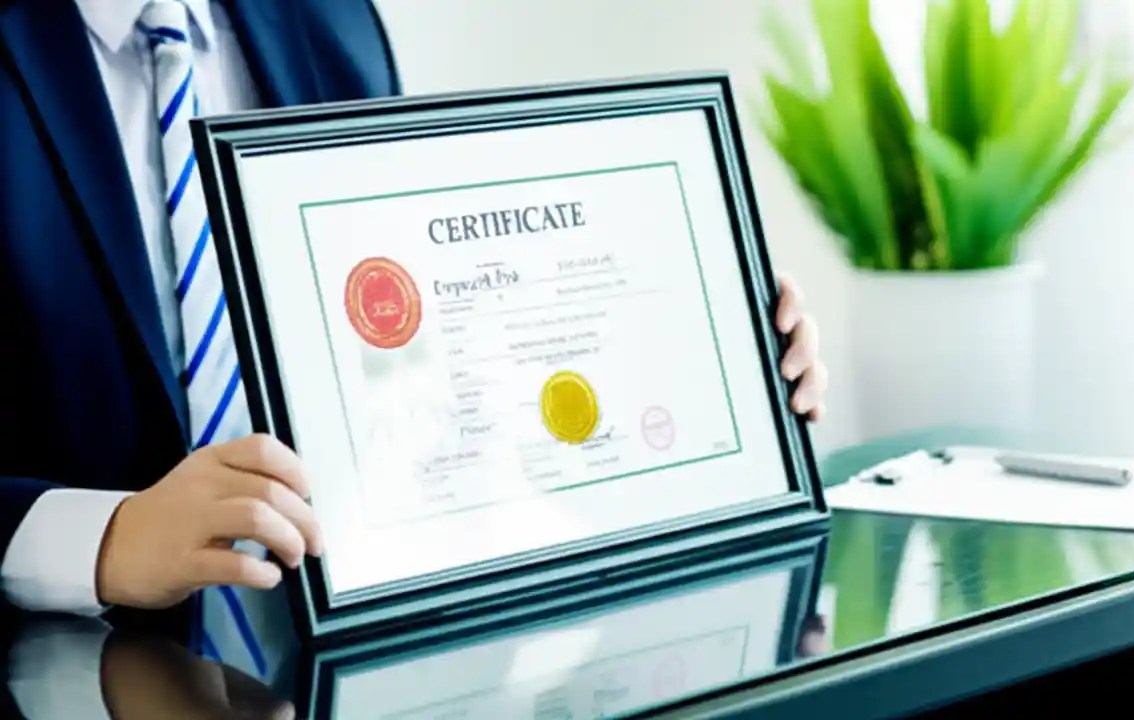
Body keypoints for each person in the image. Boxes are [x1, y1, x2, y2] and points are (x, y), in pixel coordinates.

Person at [0, 0, 828, 638]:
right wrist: (99, 539)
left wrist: (710, 339)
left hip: (341, 634)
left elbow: (411, 325)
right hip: (67, 660)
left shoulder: (330, 20)